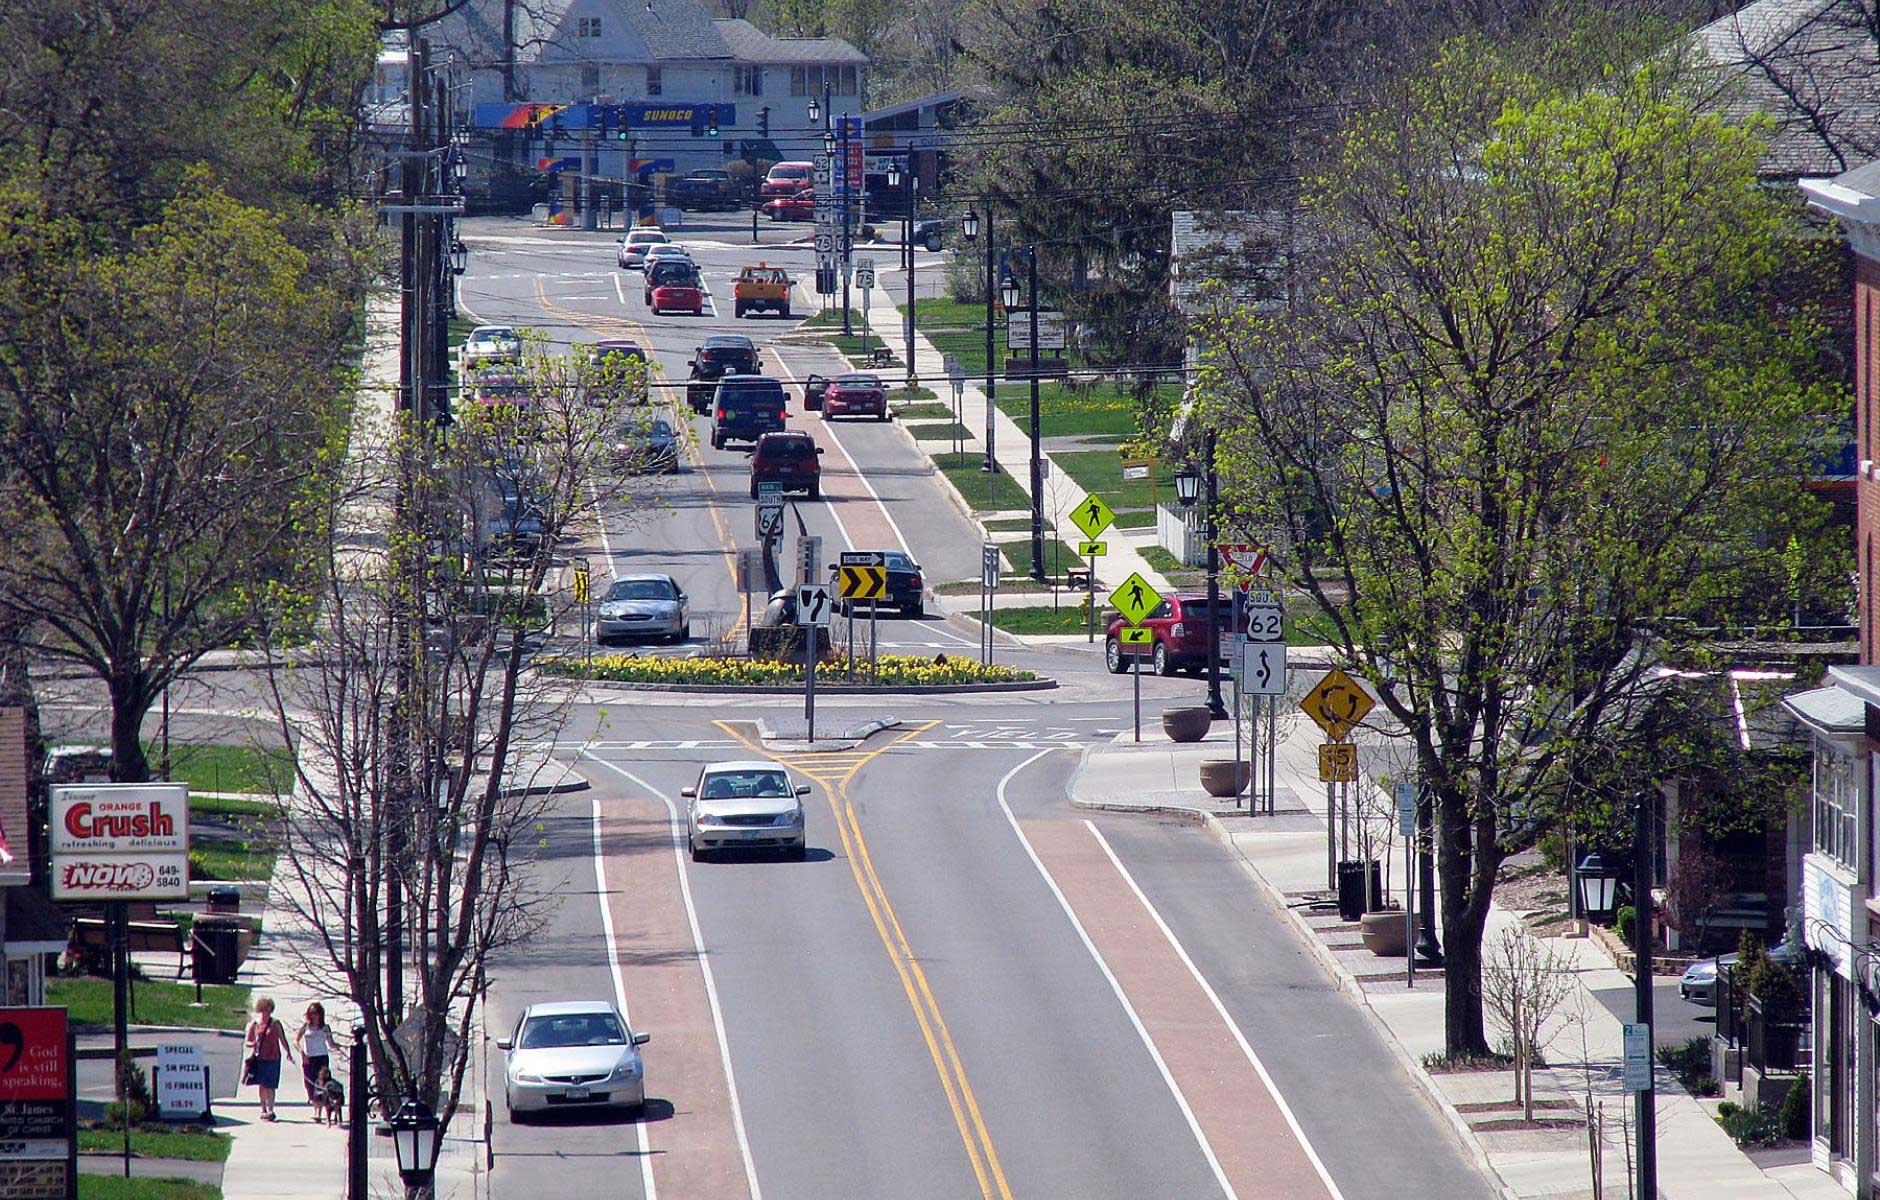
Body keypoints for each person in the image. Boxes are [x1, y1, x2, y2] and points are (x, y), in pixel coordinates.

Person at [245, 997, 293, 1121]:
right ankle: (263, 1109)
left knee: (271, 1084)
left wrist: (288, 1052)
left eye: (269, 1009)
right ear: (260, 1010)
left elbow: (282, 1039)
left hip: (274, 1057)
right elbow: (248, 1042)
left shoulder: (276, 1023)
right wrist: (254, 1043)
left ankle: (271, 1110)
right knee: (262, 1085)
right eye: (264, 1009)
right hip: (260, 1058)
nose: (266, 1012)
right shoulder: (256, 1024)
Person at [296, 1003, 336, 1123]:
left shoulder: (325, 1028)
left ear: (320, 1014)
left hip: (322, 1057)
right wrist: (301, 1051)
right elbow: (296, 1040)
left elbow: (331, 1043)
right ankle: (315, 1107)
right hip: (309, 1058)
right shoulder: (306, 1026)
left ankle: (318, 1112)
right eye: (312, 1013)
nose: (314, 1016)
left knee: (321, 1084)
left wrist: (341, 1047)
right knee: (309, 1084)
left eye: (316, 1013)